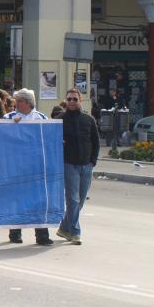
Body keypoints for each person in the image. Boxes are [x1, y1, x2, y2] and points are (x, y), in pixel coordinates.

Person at [5, 88, 52, 246]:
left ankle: (42, 235)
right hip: (16, 165)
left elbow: (48, 138)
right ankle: (15, 233)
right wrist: (12, 127)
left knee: (39, 201)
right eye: (16, 101)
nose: (17, 104)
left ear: (29, 103)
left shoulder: (41, 117)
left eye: (20, 101)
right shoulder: (9, 117)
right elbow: (1, 136)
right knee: (17, 199)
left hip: (35, 166)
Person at [56, 88, 100, 245]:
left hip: (86, 165)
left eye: (75, 99)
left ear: (80, 101)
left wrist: (92, 161)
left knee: (80, 200)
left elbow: (96, 142)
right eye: (69, 99)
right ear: (66, 101)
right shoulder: (60, 119)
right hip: (69, 165)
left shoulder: (89, 120)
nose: (72, 102)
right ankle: (75, 232)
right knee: (73, 200)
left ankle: (63, 227)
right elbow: (52, 141)